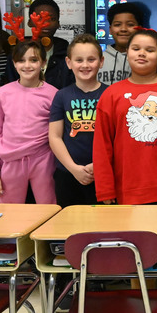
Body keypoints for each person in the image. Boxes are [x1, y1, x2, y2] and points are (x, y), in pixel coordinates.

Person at [94, 28, 157, 205]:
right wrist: (105, 188)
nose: (142, 54)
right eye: (136, 49)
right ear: (127, 53)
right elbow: (102, 146)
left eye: (150, 50)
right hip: (128, 190)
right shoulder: (111, 94)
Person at [0, 40, 58, 204]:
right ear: (14, 63)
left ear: (43, 62)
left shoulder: (53, 94)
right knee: (10, 215)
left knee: (49, 212)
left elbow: (57, 135)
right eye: (21, 60)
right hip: (10, 161)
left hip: (43, 160)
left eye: (33, 60)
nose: (27, 65)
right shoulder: (2, 94)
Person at [48, 34, 107, 207]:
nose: (85, 65)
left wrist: (98, 166)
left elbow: (117, 139)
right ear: (68, 62)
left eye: (91, 59)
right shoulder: (61, 96)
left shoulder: (110, 94)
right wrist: (73, 169)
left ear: (101, 61)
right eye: (79, 60)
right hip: (67, 173)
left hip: (103, 172)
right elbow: (55, 136)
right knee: (70, 226)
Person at [23, 0, 74, 89]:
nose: (45, 23)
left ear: (58, 23)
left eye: (52, 19)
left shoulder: (67, 54)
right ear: (29, 22)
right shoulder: (18, 53)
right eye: (40, 18)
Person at [98, 2, 141, 85]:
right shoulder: (97, 59)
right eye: (117, 25)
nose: (123, 29)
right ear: (110, 30)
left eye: (130, 24)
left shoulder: (145, 59)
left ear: (139, 28)